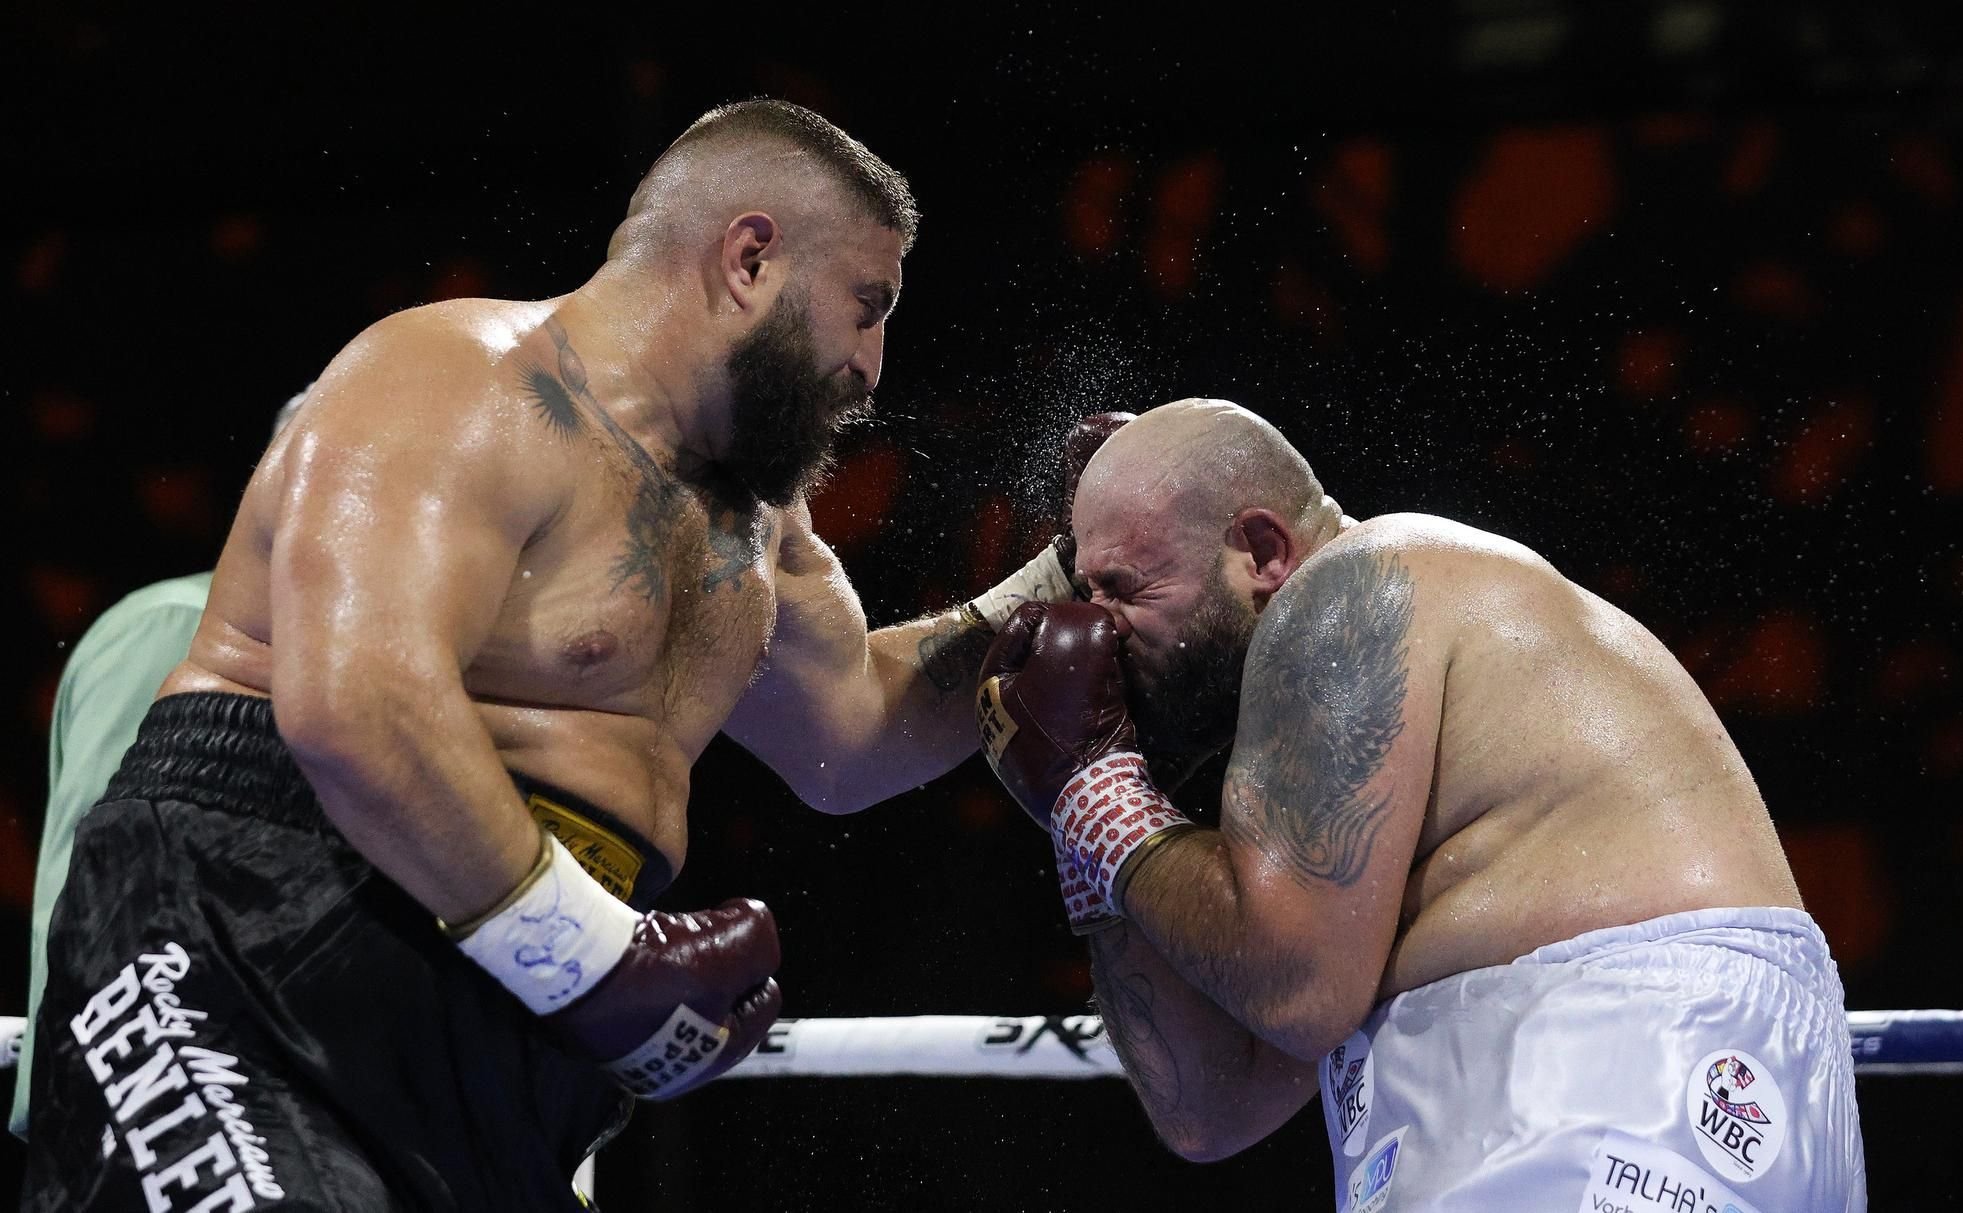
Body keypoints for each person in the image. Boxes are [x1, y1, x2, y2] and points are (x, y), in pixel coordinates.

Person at [26, 100, 1087, 1212]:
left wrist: (1071, 576)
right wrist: (589, 959)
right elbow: (356, 709)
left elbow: (853, 734)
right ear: (750, 259)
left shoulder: (755, 523)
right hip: (254, 922)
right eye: (865, 309)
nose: (871, 367)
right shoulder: (458, 377)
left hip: (508, 994)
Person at [978, 399, 1867, 1210]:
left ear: (1263, 551)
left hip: (1624, 1073)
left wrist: (1095, 791)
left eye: (1124, 587)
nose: (1100, 627)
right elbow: (1209, 1105)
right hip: (1656, 1094)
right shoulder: (1377, 792)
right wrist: (1083, 813)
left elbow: (1296, 987)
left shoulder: (1354, 583)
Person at [11, 391, 308, 1146]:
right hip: (156, 1136)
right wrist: (71, 1110)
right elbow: (91, 897)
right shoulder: (175, 629)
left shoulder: (352, 663)